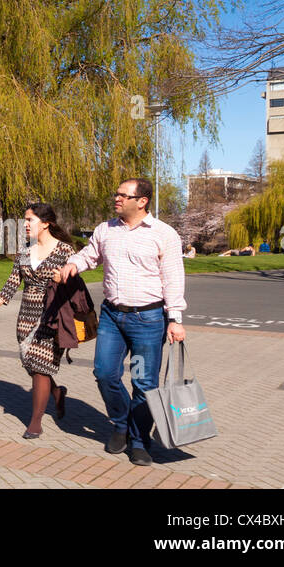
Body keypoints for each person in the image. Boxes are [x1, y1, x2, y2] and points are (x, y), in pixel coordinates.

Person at [53, 177, 186, 467]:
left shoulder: (163, 234)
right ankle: (122, 424)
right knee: (104, 374)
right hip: (112, 317)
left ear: (142, 201)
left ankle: (139, 441)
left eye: (123, 195)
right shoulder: (105, 229)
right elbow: (90, 255)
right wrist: (74, 264)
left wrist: (175, 318)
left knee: (143, 383)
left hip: (148, 320)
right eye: (116, 194)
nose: (117, 199)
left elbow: (173, 278)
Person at [0, 204, 75, 439]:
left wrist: (63, 279)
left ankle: (35, 421)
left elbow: (76, 284)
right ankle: (56, 392)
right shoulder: (24, 252)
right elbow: (12, 282)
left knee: (41, 369)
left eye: (29, 220)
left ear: (45, 223)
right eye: (24, 220)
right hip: (26, 316)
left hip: (52, 315)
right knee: (32, 365)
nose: (24, 224)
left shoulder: (65, 251)